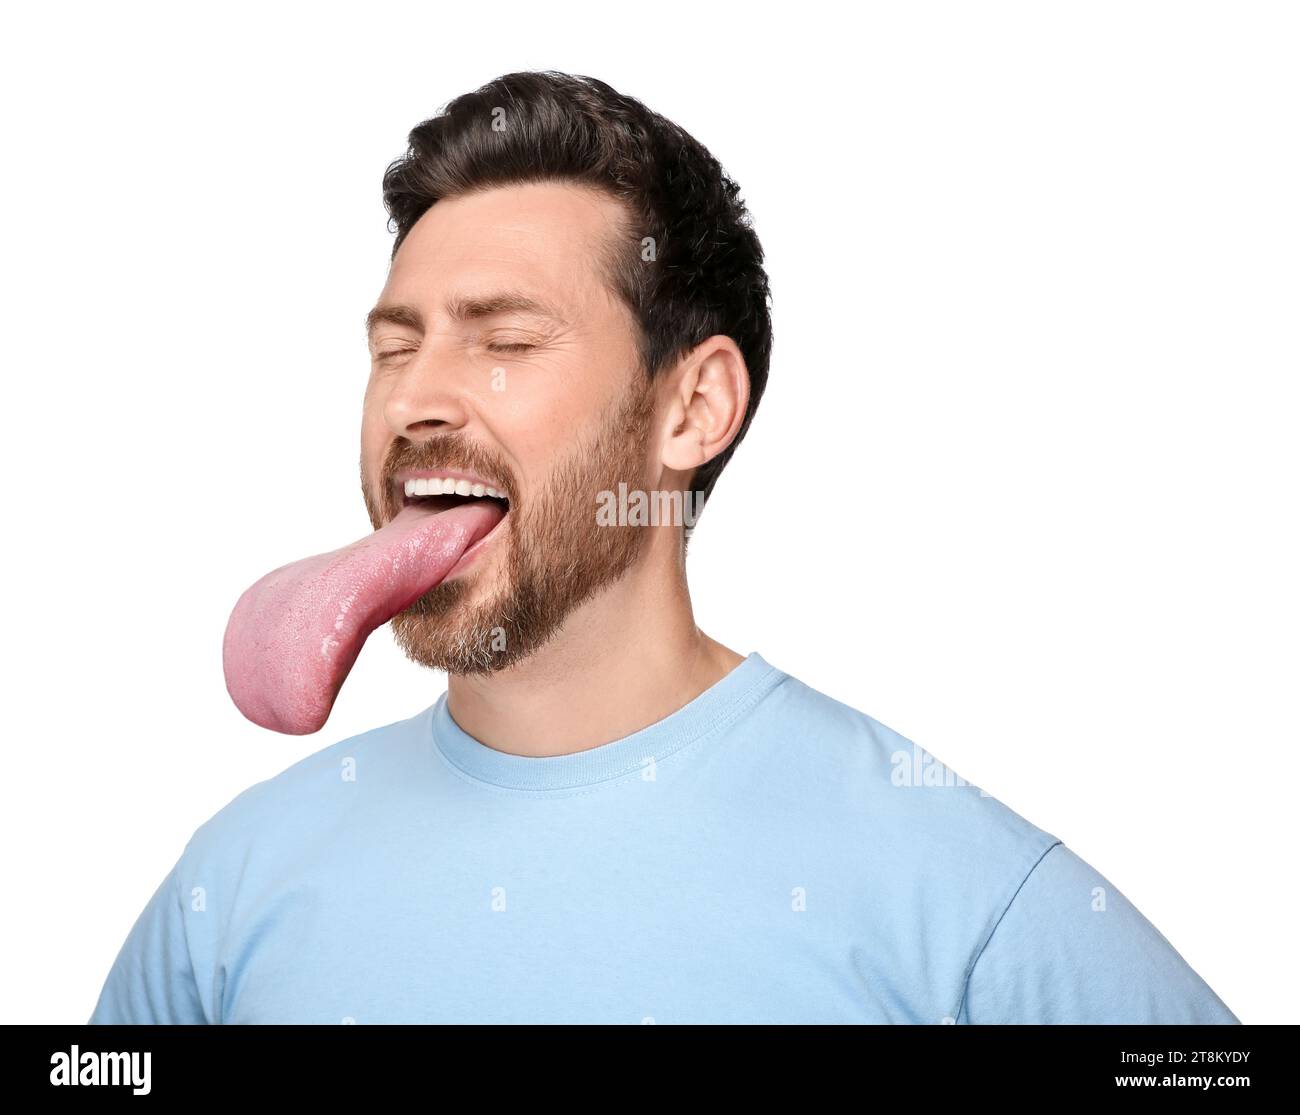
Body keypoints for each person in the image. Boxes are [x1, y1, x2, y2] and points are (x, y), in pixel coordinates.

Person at [89, 70, 1238, 1025]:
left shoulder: (961, 896)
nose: (417, 399)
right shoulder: (228, 890)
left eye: (504, 338)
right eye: (395, 347)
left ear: (691, 409)